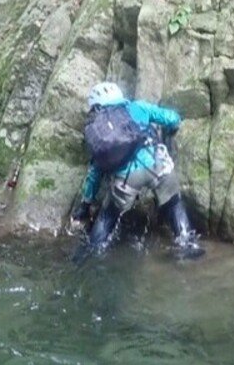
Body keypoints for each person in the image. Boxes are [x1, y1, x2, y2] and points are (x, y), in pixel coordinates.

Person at [71, 81, 204, 262]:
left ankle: (91, 252)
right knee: (173, 203)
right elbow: (172, 118)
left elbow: (95, 173)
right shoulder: (138, 107)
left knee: (109, 215)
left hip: (125, 179)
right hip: (157, 165)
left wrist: (85, 205)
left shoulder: (99, 131)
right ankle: (186, 243)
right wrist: (172, 128)